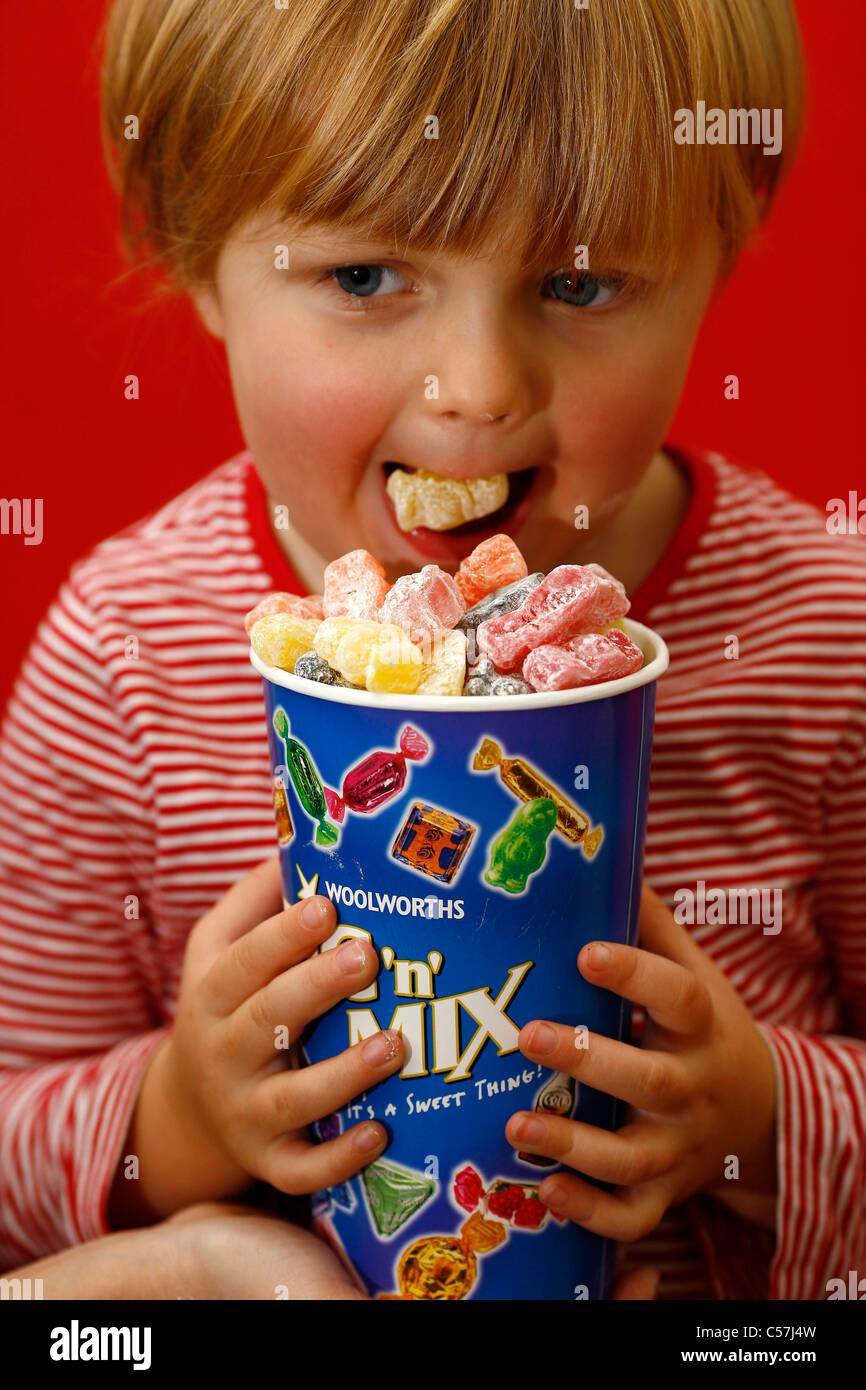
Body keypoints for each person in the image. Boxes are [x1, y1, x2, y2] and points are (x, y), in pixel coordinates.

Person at [1, 0, 863, 1300]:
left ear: (720, 246)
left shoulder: (825, 633)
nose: (477, 384)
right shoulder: (125, 657)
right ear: (196, 256)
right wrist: (178, 1118)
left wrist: (759, 1123)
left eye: (577, 282)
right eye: (363, 277)